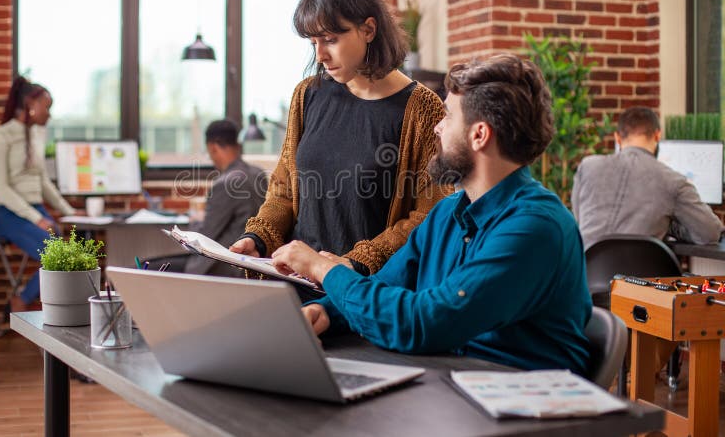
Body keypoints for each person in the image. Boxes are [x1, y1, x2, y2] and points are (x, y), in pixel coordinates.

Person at [271, 54, 592, 374]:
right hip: (450, 383)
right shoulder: (447, 213)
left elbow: (422, 323)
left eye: (449, 116)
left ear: (479, 135)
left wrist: (322, 268)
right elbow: (387, 284)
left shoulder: (535, 228)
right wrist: (327, 313)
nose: (438, 127)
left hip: (521, 403)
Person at [230, 0, 451, 281]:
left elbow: (430, 216)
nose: (320, 54)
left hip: (366, 292)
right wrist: (259, 238)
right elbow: (283, 188)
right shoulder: (307, 95)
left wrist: (352, 263)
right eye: (314, 42)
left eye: (331, 39)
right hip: (296, 284)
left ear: (369, 29)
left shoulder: (422, 108)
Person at [571, 106, 723, 250]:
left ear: (617, 138)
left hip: (587, 275)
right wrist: (669, 225)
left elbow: (578, 220)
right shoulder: (673, 181)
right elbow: (710, 233)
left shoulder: (588, 167)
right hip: (642, 277)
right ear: (658, 135)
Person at [0, 75, 75, 312]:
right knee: (57, 257)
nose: (49, 113)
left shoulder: (37, 135)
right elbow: (0, 189)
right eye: (46, 107)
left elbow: (43, 181)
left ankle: (24, 301)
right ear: (30, 105)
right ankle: (22, 301)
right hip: (9, 214)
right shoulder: (1, 136)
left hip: (36, 209)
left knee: (68, 256)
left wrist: (71, 212)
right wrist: (36, 218)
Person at [184, 119, 266, 275]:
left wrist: (195, 220)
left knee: (150, 268)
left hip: (224, 266)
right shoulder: (259, 174)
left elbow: (203, 238)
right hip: (255, 263)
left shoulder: (224, 184)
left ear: (213, 147)